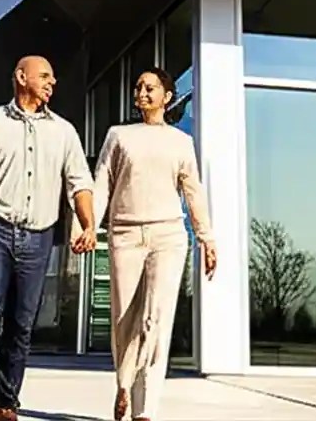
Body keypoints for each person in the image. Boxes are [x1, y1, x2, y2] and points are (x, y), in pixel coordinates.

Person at [0, 55, 98, 421]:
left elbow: (79, 181)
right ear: (21, 76)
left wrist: (88, 224)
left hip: (39, 236)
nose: (52, 82)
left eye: (53, 77)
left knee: (22, 321)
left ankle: (6, 403)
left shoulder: (64, 132)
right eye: (44, 75)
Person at [85, 67, 217, 421]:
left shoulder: (180, 142)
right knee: (125, 320)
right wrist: (87, 227)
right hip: (125, 236)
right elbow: (102, 186)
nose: (142, 92)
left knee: (156, 320)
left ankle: (145, 411)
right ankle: (124, 384)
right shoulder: (118, 136)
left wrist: (207, 237)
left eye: (150, 87)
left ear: (167, 96)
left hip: (168, 237)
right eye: (139, 87)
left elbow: (193, 191)